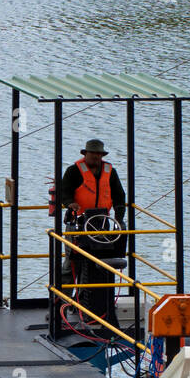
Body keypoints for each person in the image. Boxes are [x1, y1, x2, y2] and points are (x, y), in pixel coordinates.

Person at [58, 139, 126, 327]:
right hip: (78, 223)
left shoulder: (110, 172)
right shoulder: (74, 171)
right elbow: (64, 192)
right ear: (85, 154)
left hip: (102, 224)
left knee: (96, 265)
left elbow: (120, 196)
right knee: (72, 264)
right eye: (93, 154)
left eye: (99, 154)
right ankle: (61, 304)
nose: (96, 157)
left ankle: (84, 306)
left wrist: (119, 218)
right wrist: (69, 203)